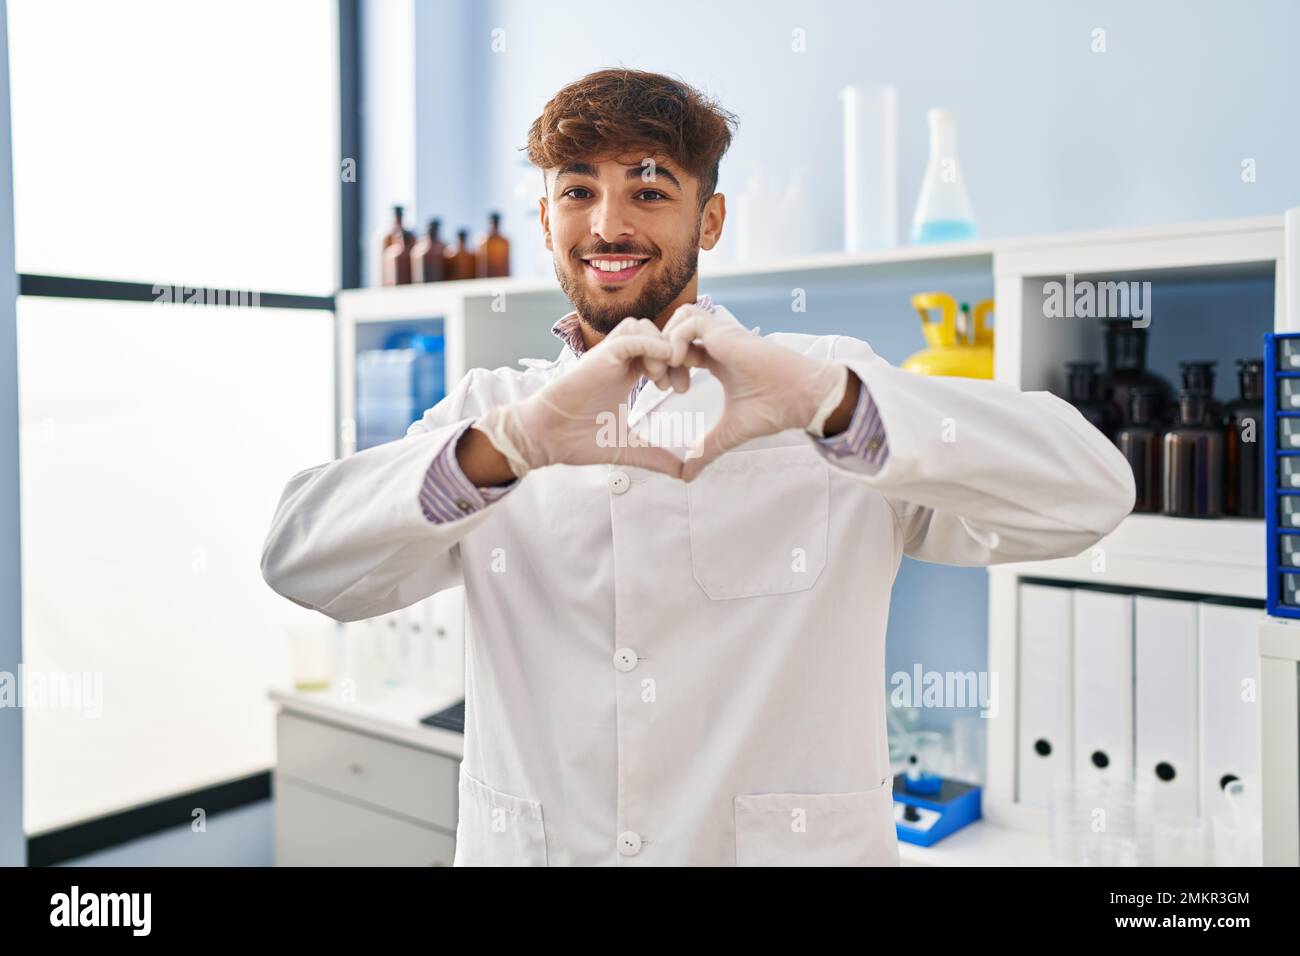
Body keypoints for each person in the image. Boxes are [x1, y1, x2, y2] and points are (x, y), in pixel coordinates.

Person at [261, 68, 1135, 866]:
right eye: (577, 192)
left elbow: (1090, 493)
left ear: (707, 220)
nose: (608, 224)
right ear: (544, 220)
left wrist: (829, 403)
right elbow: (300, 558)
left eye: (649, 188)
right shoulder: (492, 411)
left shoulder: (820, 382)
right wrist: (517, 443)